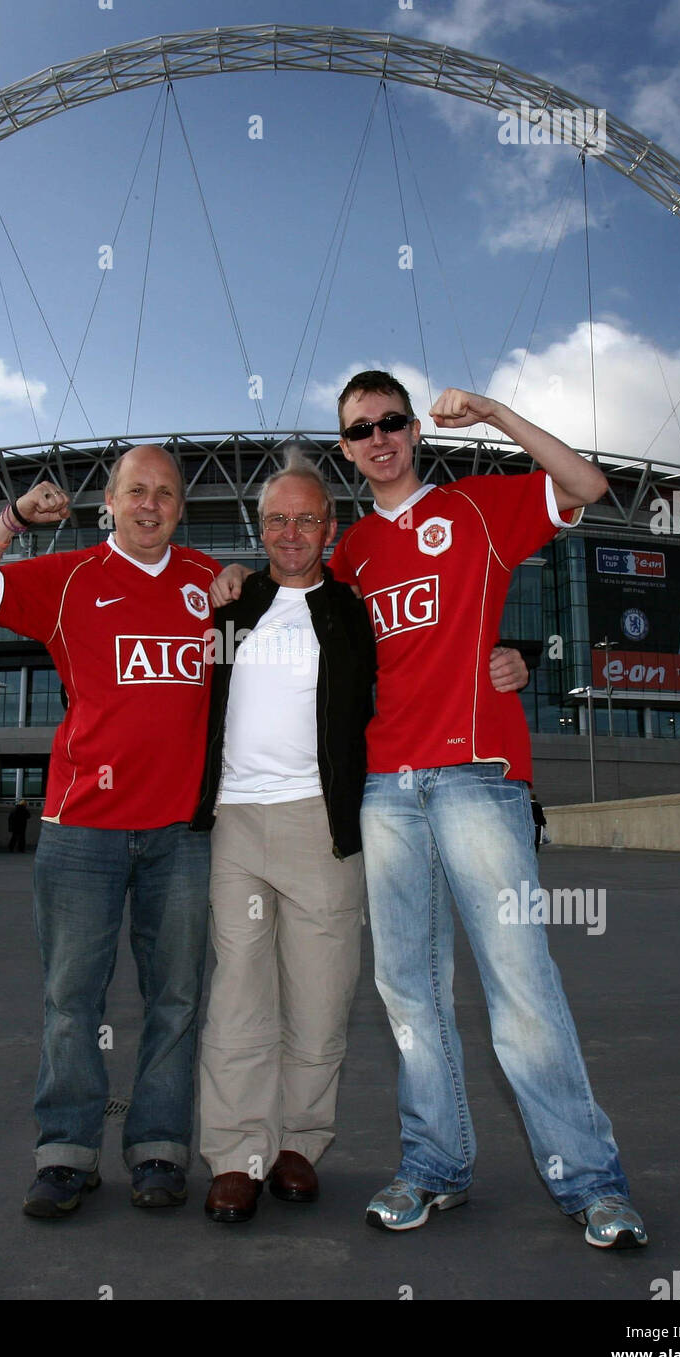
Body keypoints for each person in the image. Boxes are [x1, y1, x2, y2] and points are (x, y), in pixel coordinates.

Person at [329, 371, 645, 1248]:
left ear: (414, 432)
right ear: (348, 449)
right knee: (408, 992)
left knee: (521, 988)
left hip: (475, 778)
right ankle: (435, 1167)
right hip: (385, 790)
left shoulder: (475, 508)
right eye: (362, 429)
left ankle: (592, 1181)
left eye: (393, 421)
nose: (381, 437)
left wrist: (497, 414)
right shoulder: (350, 553)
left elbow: (586, 487)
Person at [197, 454, 528, 1223]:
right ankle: (239, 1154)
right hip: (238, 823)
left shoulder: (355, 609)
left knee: (319, 996)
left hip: (326, 824)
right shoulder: (233, 603)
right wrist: (222, 581)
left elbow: (433, 650)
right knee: (239, 998)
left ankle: (297, 1147)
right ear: (261, 528)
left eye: (306, 519)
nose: (290, 533)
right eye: (276, 519)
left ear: (329, 529)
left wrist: (514, 656)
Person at [0, 447, 220, 1218]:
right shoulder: (68, 577)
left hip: (182, 834)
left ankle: (160, 1148)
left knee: (177, 999)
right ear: (110, 500)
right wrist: (10, 522)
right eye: (137, 490)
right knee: (72, 1002)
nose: (151, 504)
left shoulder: (214, 584)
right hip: (81, 829)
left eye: (166, 493)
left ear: (180, 507)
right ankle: (65, 1153)